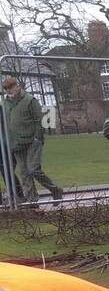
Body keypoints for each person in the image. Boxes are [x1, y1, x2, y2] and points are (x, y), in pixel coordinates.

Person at [1, 76, 62, 205]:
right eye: (6, 88)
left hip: (32, 142)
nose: (8, 90)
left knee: (33, 169)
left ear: (17, 86)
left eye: (10, 87)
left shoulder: (29, 100)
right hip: (16, 144)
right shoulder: (5, 103)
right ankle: (32, 203)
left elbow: (40, 121)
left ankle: (55, 189)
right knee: (24, 174)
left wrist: (37, 138)